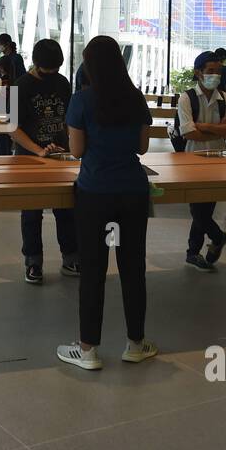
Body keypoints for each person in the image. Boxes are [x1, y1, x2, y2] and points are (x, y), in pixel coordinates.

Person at [58, 34, 156, 370]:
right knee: (133, 268)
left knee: (93, 271)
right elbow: (142, 148)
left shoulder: (81, 100)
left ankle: (87, 351)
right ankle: (135, 344)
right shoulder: (136, 98)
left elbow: (76, 151)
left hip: (94, 193)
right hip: (133, 191)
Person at [12, 38, 78, 283]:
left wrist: (71, 147)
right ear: (36, 63)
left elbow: (69, 120)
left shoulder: (62, 83)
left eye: (55, 70)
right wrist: (37, 150)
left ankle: (71, 258)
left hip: (61, 156)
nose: (51, 75)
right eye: (46, 70)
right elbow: (11, 127)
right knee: (31, 212)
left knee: (66, 209)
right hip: (29, 158)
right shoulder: (20, 86)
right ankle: (33, 262)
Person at [176, 52, 226, 272]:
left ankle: (193, 253)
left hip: (218, 161)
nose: (215, 75)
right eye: (210, 71)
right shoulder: (187, 98)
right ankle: (217, 237)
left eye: (218, 71)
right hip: (191, 160)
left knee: (205, 209)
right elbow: (188, 133)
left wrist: (204, 126)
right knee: (198, 210)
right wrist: (218, 129)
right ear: (198, 72)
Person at [0, 33, 24, 155]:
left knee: (3, 130)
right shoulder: (9, 59)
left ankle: (4, 156)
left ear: (6, 44)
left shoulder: (15, 59)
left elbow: (17, 79)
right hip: (5, 98)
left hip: (10, 99)